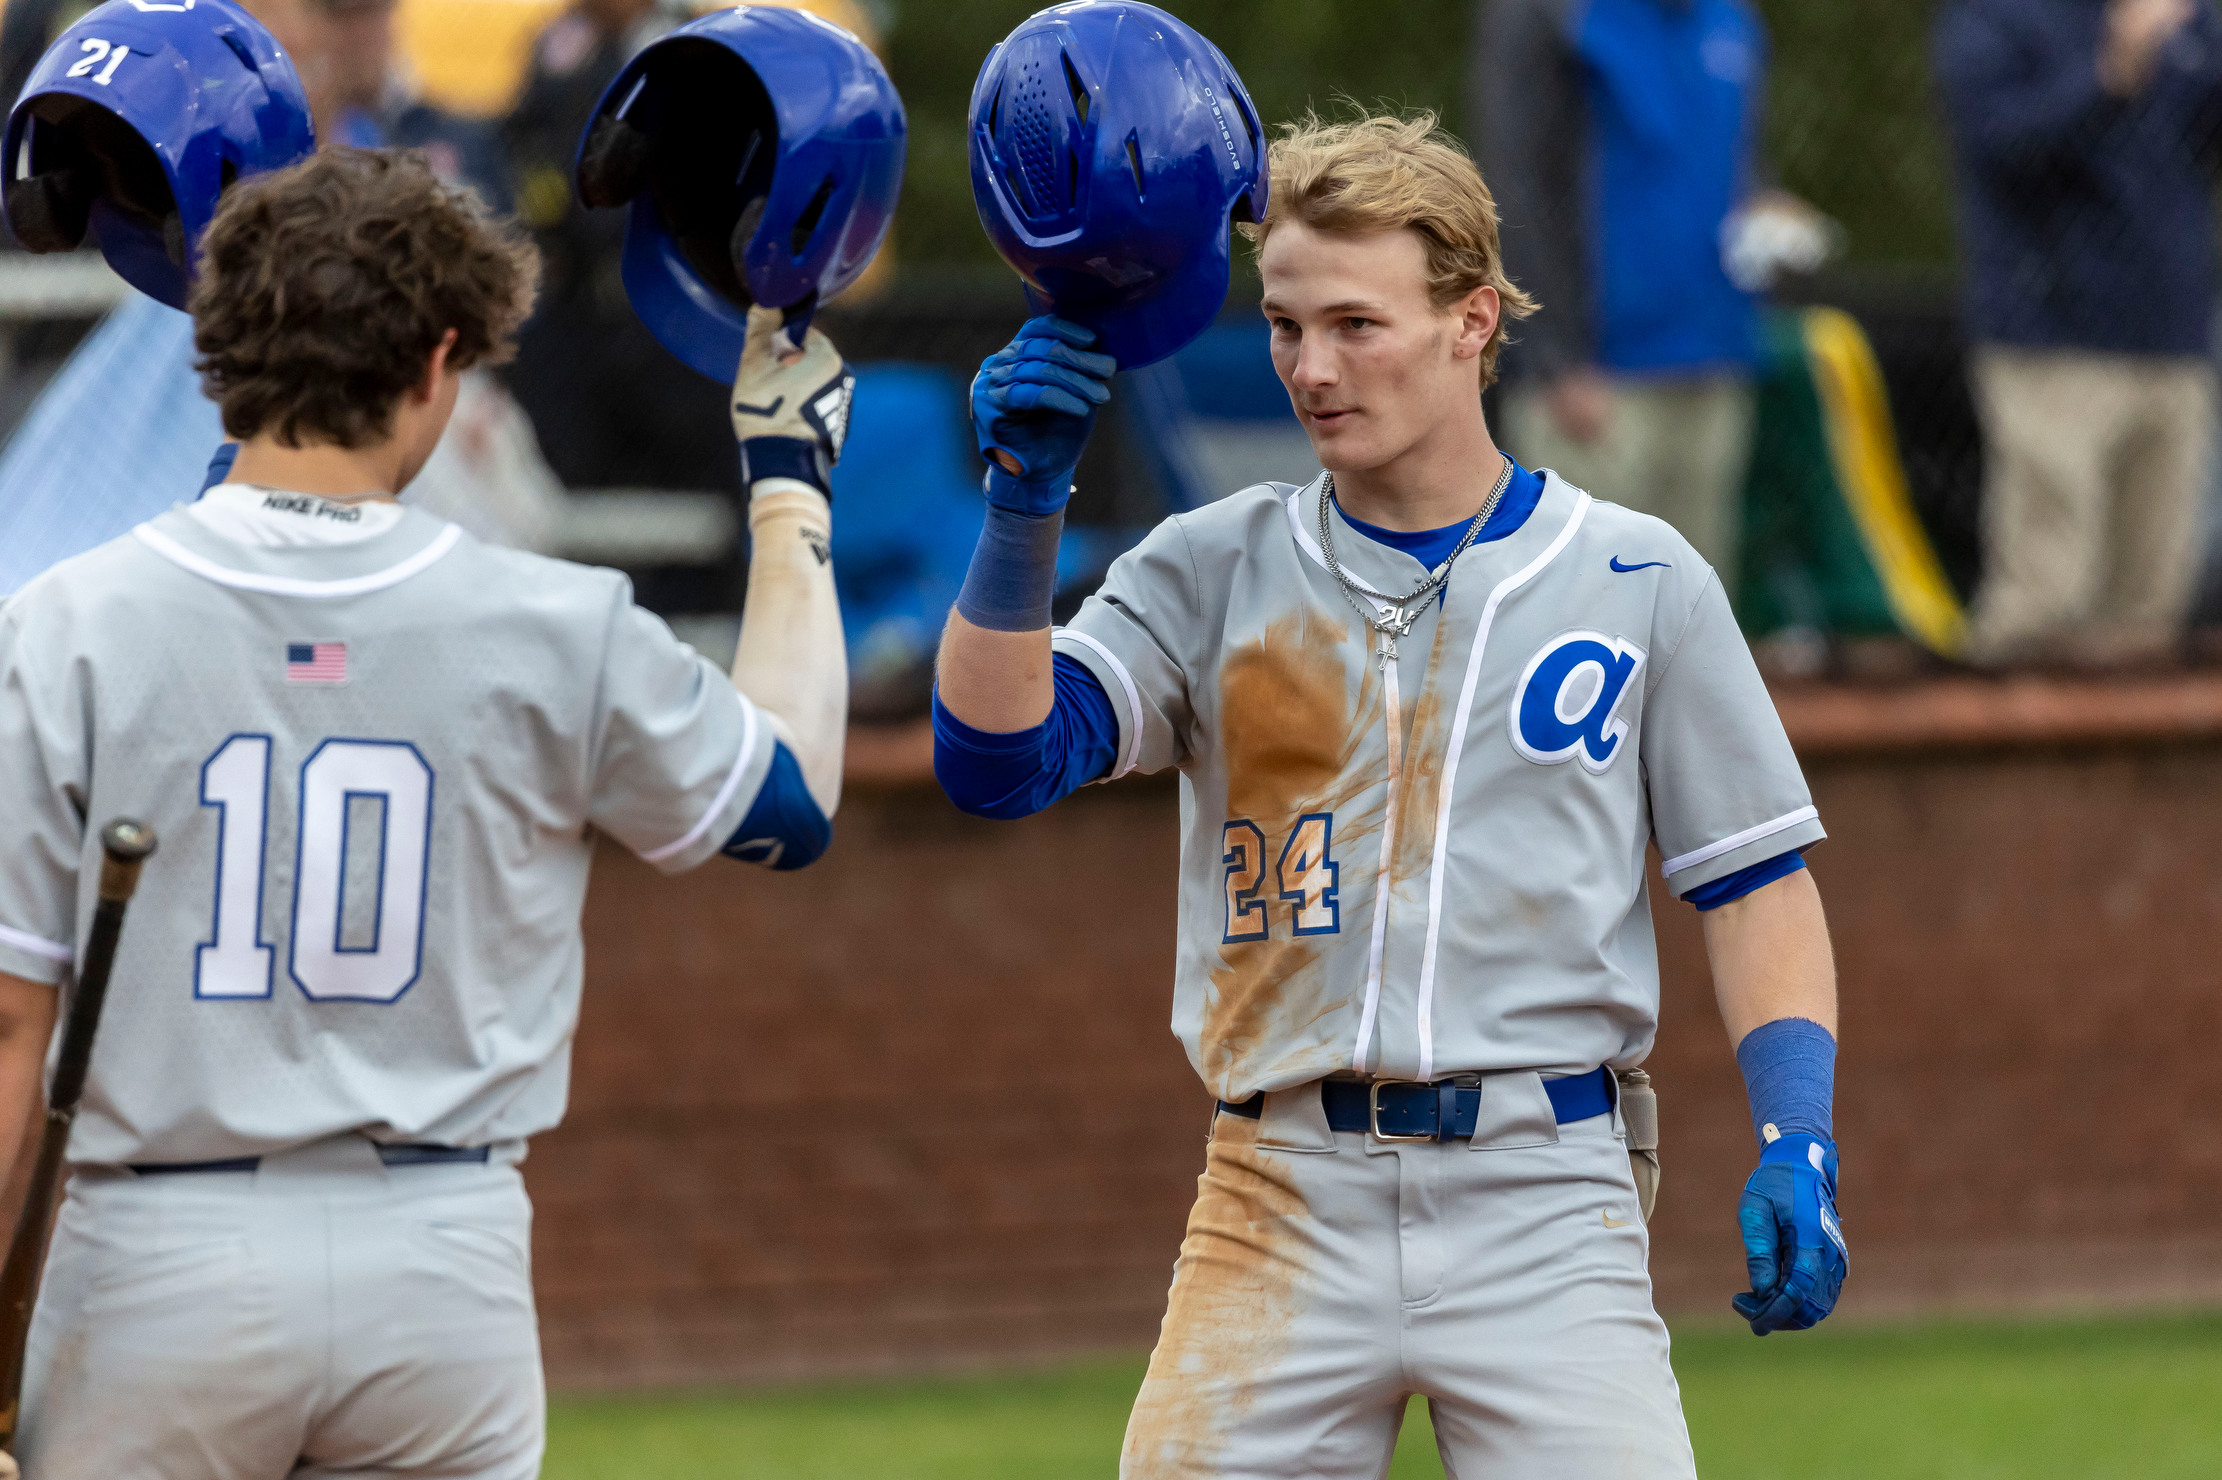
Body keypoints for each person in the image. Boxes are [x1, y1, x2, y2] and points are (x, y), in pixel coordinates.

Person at [934, 112, 1847, 1477]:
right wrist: (1020, 511)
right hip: (1277, 1190)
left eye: (1356, 324)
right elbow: (996, 761)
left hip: (1545, 1192)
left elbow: (1752, 877)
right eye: (1284, 324)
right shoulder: (1212, 564)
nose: (1311, 365)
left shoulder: (1635, 578)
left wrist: (1798, 1139)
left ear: (1471, 320)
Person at [0, 146, 851, 1476]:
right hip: (439, 1257)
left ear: (215, 352)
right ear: (439, 364)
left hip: (154, 1257)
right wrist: (790, 491)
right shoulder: (550, 616)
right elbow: (786, 803)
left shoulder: (66, 620)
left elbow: (12, 1025)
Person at [1478, 0, 1818, 593]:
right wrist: (1552, 360)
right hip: (1594, 378)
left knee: (1694, 612)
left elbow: (1734, 158)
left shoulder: (1731, 18)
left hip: (1712, 358)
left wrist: (1770, 207)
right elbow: (1512, 186)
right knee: (1577, 609)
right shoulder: (1548, 14)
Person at [1934, 0, 2222, 668]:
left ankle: (2128, 777)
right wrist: (2113, 72)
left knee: (2149, 610)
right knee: (2044, 601)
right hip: (2052, 342)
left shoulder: (2184, 19)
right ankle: (1998, 765)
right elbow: (1998, 143)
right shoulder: (1995, 19)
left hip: (2171, 340)